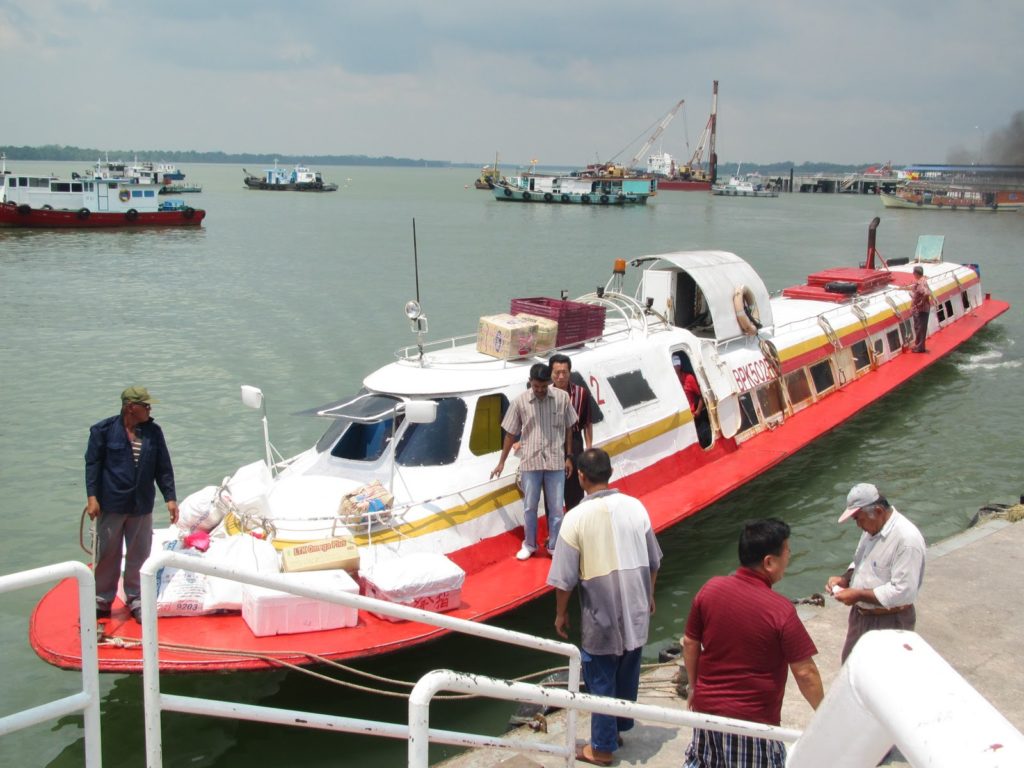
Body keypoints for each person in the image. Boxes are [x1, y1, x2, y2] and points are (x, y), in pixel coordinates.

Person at [547, 448, 662, 766]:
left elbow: (564, 580)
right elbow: (654, 561)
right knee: (627, 671)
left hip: (602, 616)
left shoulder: (574, 518)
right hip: (636, 610)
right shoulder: (636, 507)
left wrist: (560, 614)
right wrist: (649, 595)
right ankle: (615, 730)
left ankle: (601, 748)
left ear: (581, 476)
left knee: (600, 678)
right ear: (610, 472)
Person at [683, 518, 823, 768]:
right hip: (752, 724)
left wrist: (694, 687)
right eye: (787, 551)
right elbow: (805, 673)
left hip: (706, 713)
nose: (789, 556)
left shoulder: (710, 589)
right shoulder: (780, 611)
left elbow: (690, 643)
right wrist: (824, 715)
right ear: (769, 562)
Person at [85, 386, 179, 622]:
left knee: (139, 553)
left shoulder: (153, 433)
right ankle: (102, 599)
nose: (149, 409)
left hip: (141, 504)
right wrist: (92, 498)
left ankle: (136, 598)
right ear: (130, 407)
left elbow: (163, 467)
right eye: (145, 406)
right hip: (112, 503)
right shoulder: (103, 431)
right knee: (108, 553)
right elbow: (93, 465)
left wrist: (170, 498)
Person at [827, 483, 926, 663]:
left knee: (883, 673)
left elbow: (903, 592)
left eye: (859, 519)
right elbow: (860, 562)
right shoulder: (872, 528)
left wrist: (858, 594)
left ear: (878, 511)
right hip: (861, 618)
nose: (858, 525)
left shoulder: (907, 539)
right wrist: (845, 579)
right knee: (852, 668)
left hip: (890, 621)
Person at [491, 363, 576, 559]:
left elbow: (569, 428)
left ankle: (554, 546)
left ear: (549, 382)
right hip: (530, 462)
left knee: (556, 508)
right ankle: (530, 544)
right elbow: (510, 433)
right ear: (530, 382)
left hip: (555, 461)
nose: (539, 390)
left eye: (543, 386)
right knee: (530, 506)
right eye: (536, 386)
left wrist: (569, 456)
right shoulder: (519, 402)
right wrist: (501, 462)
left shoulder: (562, 398)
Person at [549, 353, 593, 511]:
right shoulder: (545, 394)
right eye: (557, 373)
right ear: (551, 374)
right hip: (551, 441)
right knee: (552, 487)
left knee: (574, 486)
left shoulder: (581, 393)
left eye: (564, 372)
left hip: (574, 441)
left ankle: (576, 515)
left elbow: (587, 423)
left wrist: (589, 448)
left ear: (570, 372)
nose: (561, 377)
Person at [673, 354, 711, 448]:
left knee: (705, 440)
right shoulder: (674, 382)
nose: (674, 368)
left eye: (675, 366)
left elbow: (701, 395)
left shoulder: (689, 378)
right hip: (686, 419)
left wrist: (698, 411)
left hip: (696, 417)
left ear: (679, 366)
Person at [909, 265, 938, 353]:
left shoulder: (921, 283)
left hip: (921, 309)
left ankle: (920, 347)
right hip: (922, 309)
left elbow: (926, 293)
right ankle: (918, 345)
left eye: (914, 273)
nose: (913, 274)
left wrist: (921, 303)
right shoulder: (923, 280)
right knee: (919, 327)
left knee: (920, 328)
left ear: (916, 273)